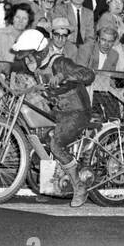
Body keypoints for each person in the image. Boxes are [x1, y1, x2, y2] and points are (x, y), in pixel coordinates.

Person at [6, 28, 94, 208]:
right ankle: (51, 186)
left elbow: (89, 74)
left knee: (56, 144)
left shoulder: (60, 62)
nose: (26, 60)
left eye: (28, 56)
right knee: (42, 139)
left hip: (77, 111)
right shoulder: (38, 67)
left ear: (40, 52)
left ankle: (79, 188)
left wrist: (63, 75)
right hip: (59, 111)